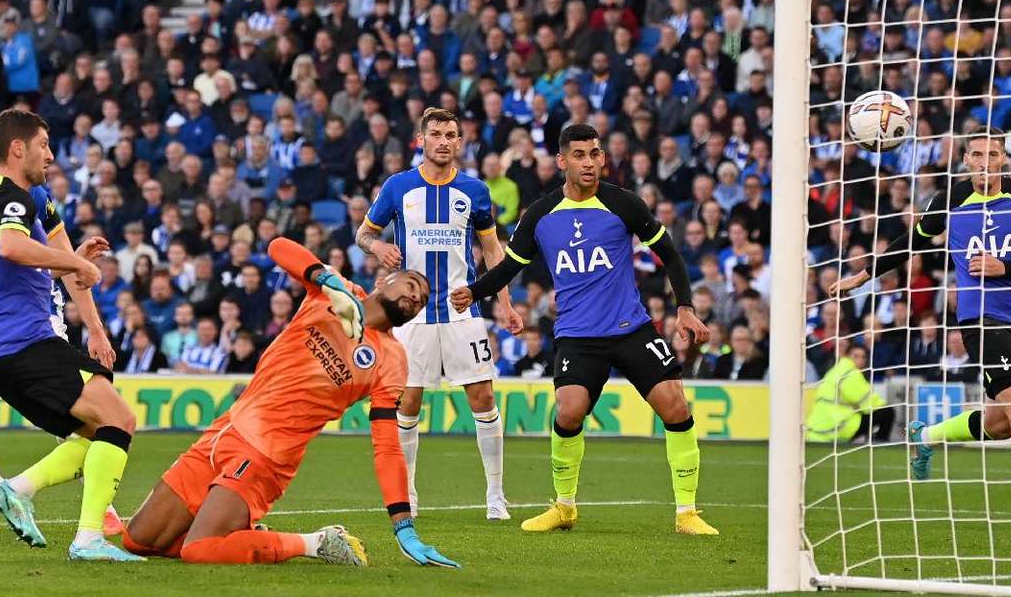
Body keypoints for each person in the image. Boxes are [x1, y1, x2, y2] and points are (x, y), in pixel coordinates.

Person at [122, 237, 459, 569]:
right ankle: (245, 534)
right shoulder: (330, 290)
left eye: (423, 300)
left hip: (266, 455)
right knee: (137, 541)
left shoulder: (392, 360)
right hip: (225, 430)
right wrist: (329, 284)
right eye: (413, 284)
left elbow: (387, 447)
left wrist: (404, 526)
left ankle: (316, 542)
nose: (417, 296)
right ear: (384, 280)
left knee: (201, 550)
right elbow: (277, 246)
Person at [451, 123, 718, 535]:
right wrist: (474, 291)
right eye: (579, 155)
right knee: (569, 411)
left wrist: (684, 307)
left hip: (631, 329)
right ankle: (564, 507)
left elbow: (670, 254)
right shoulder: (540, 215)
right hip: (578, 335)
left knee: (675, 406)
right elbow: (509, 266)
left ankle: (687, 513)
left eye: (595, 153)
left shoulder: (624, 204)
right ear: (562, 161)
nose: (590, 162)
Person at [830, 127, 1011, 533]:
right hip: (979, 318)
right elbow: (909, 243)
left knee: (1002, 423)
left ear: (1004, 158)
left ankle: (928, 435)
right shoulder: (951, 199)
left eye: (993, 154)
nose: (985, 162)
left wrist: (1004, 266)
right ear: (966, 159)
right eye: (976, 154)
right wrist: (863, 276)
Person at [0, 109, 141, 561]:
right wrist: (79, 264)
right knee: (120, 419)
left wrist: (66, 258)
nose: (50, 156)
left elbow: (13, 267)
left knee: (94, 431)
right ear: (17, 149)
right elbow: (10, 246)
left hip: (11, 355)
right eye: (44, 146)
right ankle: (89, 539)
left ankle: (15, 490)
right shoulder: (16, 196)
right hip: (28, 347)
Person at [356, 108, 513, 520]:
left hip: (463, 310)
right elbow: (363, 233)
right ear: (421, 140)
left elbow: (493, 250)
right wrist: (377, 248)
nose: (444, 141)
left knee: (483, 398)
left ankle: (496, 496)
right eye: (437, 134)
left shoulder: (475, 191)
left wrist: (504, 300)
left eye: (452, 134)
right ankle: (407, 495)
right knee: (408, 403)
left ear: (460, 142)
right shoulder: (398, 186)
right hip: (411, 317)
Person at [804, 344, 893, 442]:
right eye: (856, 356)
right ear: (846, 356)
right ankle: (880, 445)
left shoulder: (835, 370)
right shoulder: (850, 373)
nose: (860, 360)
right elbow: (871, 403)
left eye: (863, 357)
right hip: (837, 426)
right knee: (887, 412)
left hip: (817, 428)